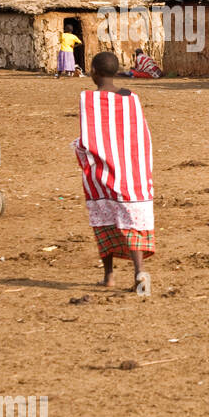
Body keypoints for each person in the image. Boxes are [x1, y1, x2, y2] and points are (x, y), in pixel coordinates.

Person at [71, 51, 155, 287]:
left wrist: (78, 148)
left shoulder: (88, 99)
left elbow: (89, 138)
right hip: (133, 174)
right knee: (134, 224)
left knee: (103, 221)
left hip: (102, 173)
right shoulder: (132, 98)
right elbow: (140, 135)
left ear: (93, 72)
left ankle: (108, 276)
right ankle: (139, 272)